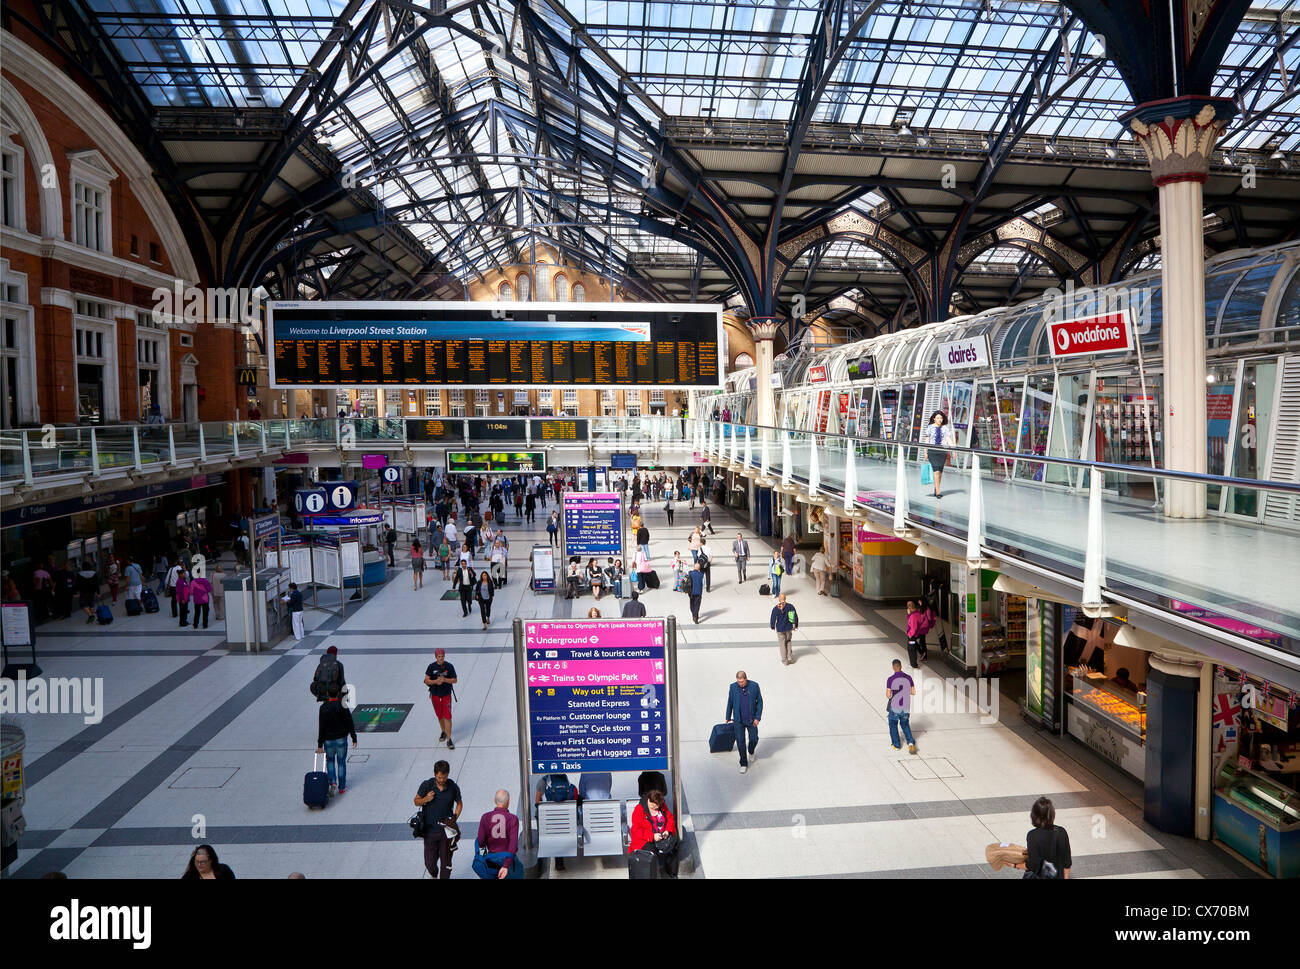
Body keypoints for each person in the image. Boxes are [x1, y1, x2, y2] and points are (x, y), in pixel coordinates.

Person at [414, 761, 463, 879]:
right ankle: (434, 875)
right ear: (435, 774)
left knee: (446, 864)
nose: (442, 780)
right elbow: (416, 801)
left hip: (446, 832)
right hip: (430, 831)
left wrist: (454, 818)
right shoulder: (427, 785)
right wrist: (426, 798)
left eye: (444, 777)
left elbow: (459, 804)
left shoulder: (452, 787)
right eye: (440, 777)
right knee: (429, 863)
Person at [316, 682, 358, 796]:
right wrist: (353, 737)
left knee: (330, 761)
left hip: (328, 740)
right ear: (338, 693)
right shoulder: (342, 706)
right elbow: (349, 722)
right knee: (341, 762)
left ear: (328, 694)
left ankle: (332, 782)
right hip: (341, 739)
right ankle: (342, 787)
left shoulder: (323, 708)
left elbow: (321, 727)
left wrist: (320, 744)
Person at [1014, 797, 1072, 879]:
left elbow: (1033, 865)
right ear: (1052, 814)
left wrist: (1014, 865)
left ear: (1034, 815)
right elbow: (1067, 863)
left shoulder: (1033, 835)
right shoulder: (1061, 831)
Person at [628, 789, 679, 878]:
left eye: (658, 806)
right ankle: (654, 875)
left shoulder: (661, 805)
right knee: (651, 853)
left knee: (674, 845)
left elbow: (670, 818)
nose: (656, 808)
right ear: (649, 800)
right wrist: (652, 836)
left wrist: (667, 830)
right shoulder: (639, 809)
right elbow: (636, 830)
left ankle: (671, 872)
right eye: (654, 806)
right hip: (645, 839)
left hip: (661, 835)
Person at [474, 790, 522, 879]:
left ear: (495, 801)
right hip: (508, 861)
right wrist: (506, 865)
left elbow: (480, 841)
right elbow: (513, 846)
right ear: (509, 801)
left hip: (491, 859)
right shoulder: (513, 819)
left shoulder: (485, 817)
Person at [726, 670, 762, 774]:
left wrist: (757, 718)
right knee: (740, 742)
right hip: (738, 720)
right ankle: (743, 763)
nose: (740, 684)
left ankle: (751, 751)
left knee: (754, 739)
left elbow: (760, 702)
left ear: (746, 679)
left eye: (742, 681)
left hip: (751, 720)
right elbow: (730, 702)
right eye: (738, 681)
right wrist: (728, 716)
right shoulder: (733, 687)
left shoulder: (754, 686)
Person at [424, 648, 457, 749]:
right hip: (435, 695)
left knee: (448, 716)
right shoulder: (431, 667)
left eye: (442, 656)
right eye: (439, 656)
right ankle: (443, 731)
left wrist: (445, 680)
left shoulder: (449, 666)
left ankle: (449, 739)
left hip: (446, 695)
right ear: (436, 657)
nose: (441, 658)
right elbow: (426, 680)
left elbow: (455, 680)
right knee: (440, 715)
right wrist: (435, 682)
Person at [921, 410, 957, 499]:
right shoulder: (929, 427)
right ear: (934, 419)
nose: (939, 420)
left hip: (942, 452)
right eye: (937, 418)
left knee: (940, 472)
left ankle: (936, 488)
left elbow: (949, 440)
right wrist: (925, 452)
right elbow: (927, 441)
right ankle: (938, 492)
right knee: (936, 471)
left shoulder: (945, 428)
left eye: (941, 418)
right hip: (932, 452)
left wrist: (953, 451)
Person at [886, 658, 918, 754]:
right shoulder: (908, 677)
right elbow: (913, 692)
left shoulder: (890, 679)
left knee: (893, 724)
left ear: (893, 667)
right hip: (906, 706)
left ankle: (896, 745)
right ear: (901, 667)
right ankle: (910, 743)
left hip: (895, 706)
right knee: (905, 724)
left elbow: (888, 695)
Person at [770, 591, 798, 666]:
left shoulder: (776, 608)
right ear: (785, 598)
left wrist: (772, 626)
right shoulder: (790, 606)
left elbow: (773, 618)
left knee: (782, 644)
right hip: (788, 628)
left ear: (779, 599)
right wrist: (795, 625)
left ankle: (784, 660)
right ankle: (790, 657)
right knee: (788, 641)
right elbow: (794, 616)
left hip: (780, 629)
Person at [905, 600, 925, 669]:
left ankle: (913, 664)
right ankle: (920, 655)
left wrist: (910, 635)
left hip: (912, 636)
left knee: (911, 649)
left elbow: (913, 627)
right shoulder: (917, 613)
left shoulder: (913, 616)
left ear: (909, 607)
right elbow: (910, 620)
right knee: (913, 646)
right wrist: (909, 614)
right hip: (916, 635)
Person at [687, 557, 705, 624]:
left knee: (692, 604)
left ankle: (693, 614)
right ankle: (695, 616)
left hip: (691, 592)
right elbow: (704, 584)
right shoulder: (701, 575)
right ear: (699, 568)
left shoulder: (690, 574)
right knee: (697, 605)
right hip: (698, 592)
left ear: (694, 567)